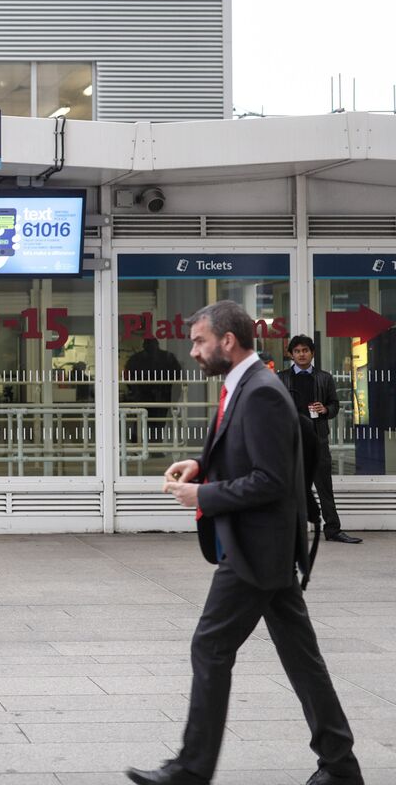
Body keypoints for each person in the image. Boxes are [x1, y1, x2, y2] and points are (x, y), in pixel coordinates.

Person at [128, 301, 361, 785]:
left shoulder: (261, 392)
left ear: (227, 341)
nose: (193, 350)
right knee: (302, 656)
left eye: (199, 341)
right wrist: (201, 465)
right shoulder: (245, 386)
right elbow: (244, 451)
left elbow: (272, 480)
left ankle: (191, 770)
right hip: (264, 547)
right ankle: (339, 763)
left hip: (257, 548)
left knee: (210, 645)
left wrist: (202, 495)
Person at [277, 335, 361, 544]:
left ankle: (332, 530)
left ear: (312, 353)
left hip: (317, 440)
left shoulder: (324, 378)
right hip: (291, 440)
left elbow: (335, 404)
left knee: (325, 487)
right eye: (297, 351)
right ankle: (288, 531)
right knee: (288, 487)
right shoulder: (281, 378)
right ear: (291, 354)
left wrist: (325, 409)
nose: (301, 354)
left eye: (305, 350)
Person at [123, 339, 182, 442]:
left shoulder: (136, 359)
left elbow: (127, 377)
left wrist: (134, 390)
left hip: (146, 395)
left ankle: (137, 446)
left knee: (142, 420)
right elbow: (177, 376)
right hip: (160, 395)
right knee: (157, 423)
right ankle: (154, 447)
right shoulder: (167, 357)